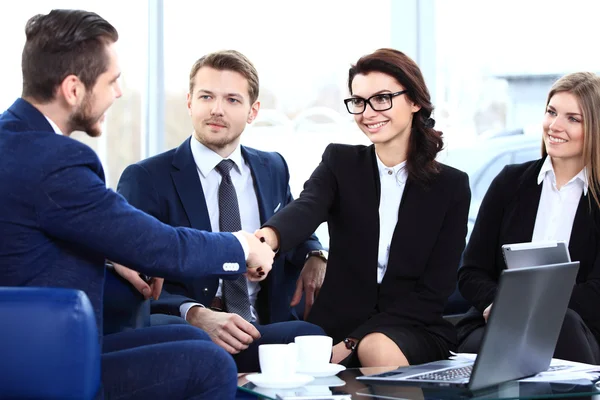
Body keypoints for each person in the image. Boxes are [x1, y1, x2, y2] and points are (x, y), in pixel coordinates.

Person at [0, 9, 275, 399]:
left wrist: (113, 256)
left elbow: (31, 231)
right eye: (112, 81)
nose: (119, 92)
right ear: (74, 89)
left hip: (27, 347)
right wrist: (243, 246)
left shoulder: (12, 138)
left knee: (192, 342)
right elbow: (162, 245)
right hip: (39, 363)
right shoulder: (54, 160)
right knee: (208, 364)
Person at [256, 48, 471, 368]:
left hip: (412, 326)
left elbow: (434, 292)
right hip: (337, 322)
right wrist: (264, 240)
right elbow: (306, 208)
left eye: (382, 98)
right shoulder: (340, 163)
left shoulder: (451, 186)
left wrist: (355, 341)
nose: (368, 112)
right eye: (359, 101)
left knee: (375, 348)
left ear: (414, 102)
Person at [116, 50, 327, 372]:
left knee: (310, 338)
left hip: (261, 322)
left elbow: (295, 227)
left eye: (231, 99)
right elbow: (133, 274)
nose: (216, 109)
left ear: (252, 110)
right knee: (298, 339)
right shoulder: (146, 177)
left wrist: (316, 255)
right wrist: (195, 313)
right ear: (190, 102)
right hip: (190, 327)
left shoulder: (273, 167)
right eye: (206, 97)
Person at [456, 72, 600, 364]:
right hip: (497, 323)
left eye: (573, 118)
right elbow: (471, 272)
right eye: (551, 112)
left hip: (579, 329)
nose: (555, 126)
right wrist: (500, 305)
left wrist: (525, 305)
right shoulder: (509, 183)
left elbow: (596, 293)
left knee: (564, 328)